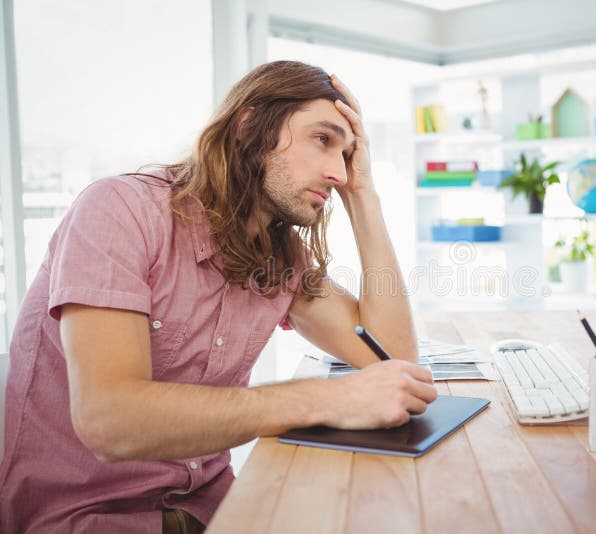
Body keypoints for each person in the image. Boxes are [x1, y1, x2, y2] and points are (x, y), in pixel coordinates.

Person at [0, 60, 437, 532]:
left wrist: (363, 194)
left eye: (347, 155)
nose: (337, 171)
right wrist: (327, 399)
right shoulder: (119, 212)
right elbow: (109, 421)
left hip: (214, 508)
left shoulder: (278, 256)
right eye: (323, 140)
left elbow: (392, 358)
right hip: (86, 518)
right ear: (250, 126)